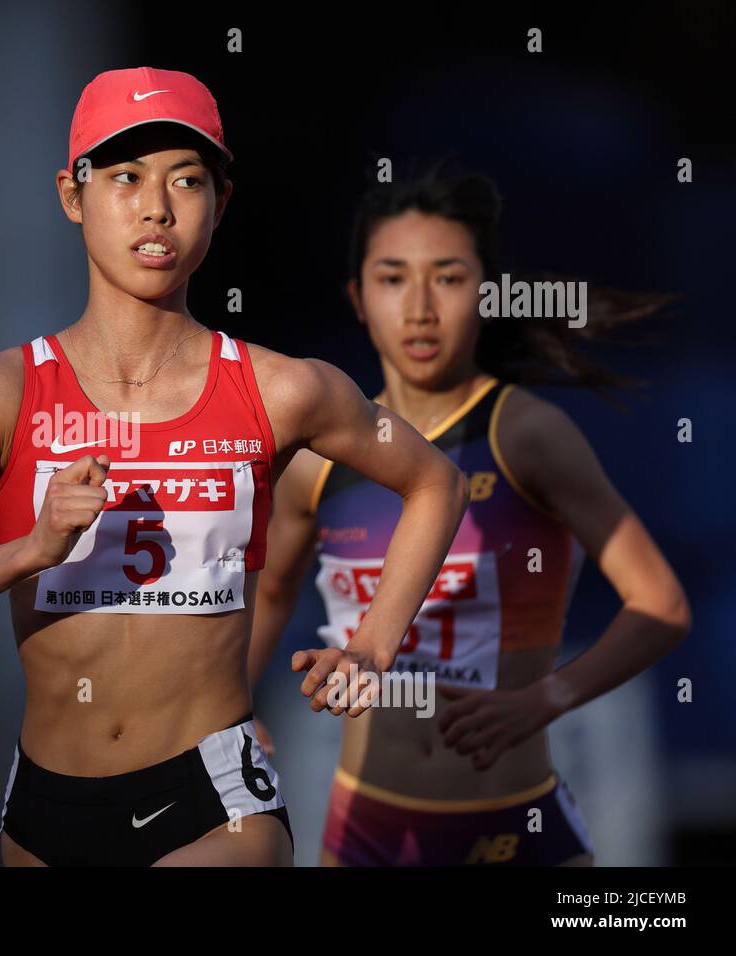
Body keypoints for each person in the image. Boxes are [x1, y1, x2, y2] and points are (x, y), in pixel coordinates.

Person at [0, 68, 469, 866]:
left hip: (211, 798)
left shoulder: (284, 388)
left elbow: (435, 481)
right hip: (44, 805)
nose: (157, 207)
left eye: (187, 180)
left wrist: (373, 643)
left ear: (220, 203)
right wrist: (32, 551)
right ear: (71, 196)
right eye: (125, 178)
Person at [248, 164, 692, 866]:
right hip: (363, 833)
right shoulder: (318, 460)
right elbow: (268, 591)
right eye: (393, 279)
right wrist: (233, 716)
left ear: (485, 296)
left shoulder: (527, 435)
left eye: (448, 278)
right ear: (357, 299)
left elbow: (662, 605)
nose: (419, 307)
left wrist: (546, 698)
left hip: (511, 829)